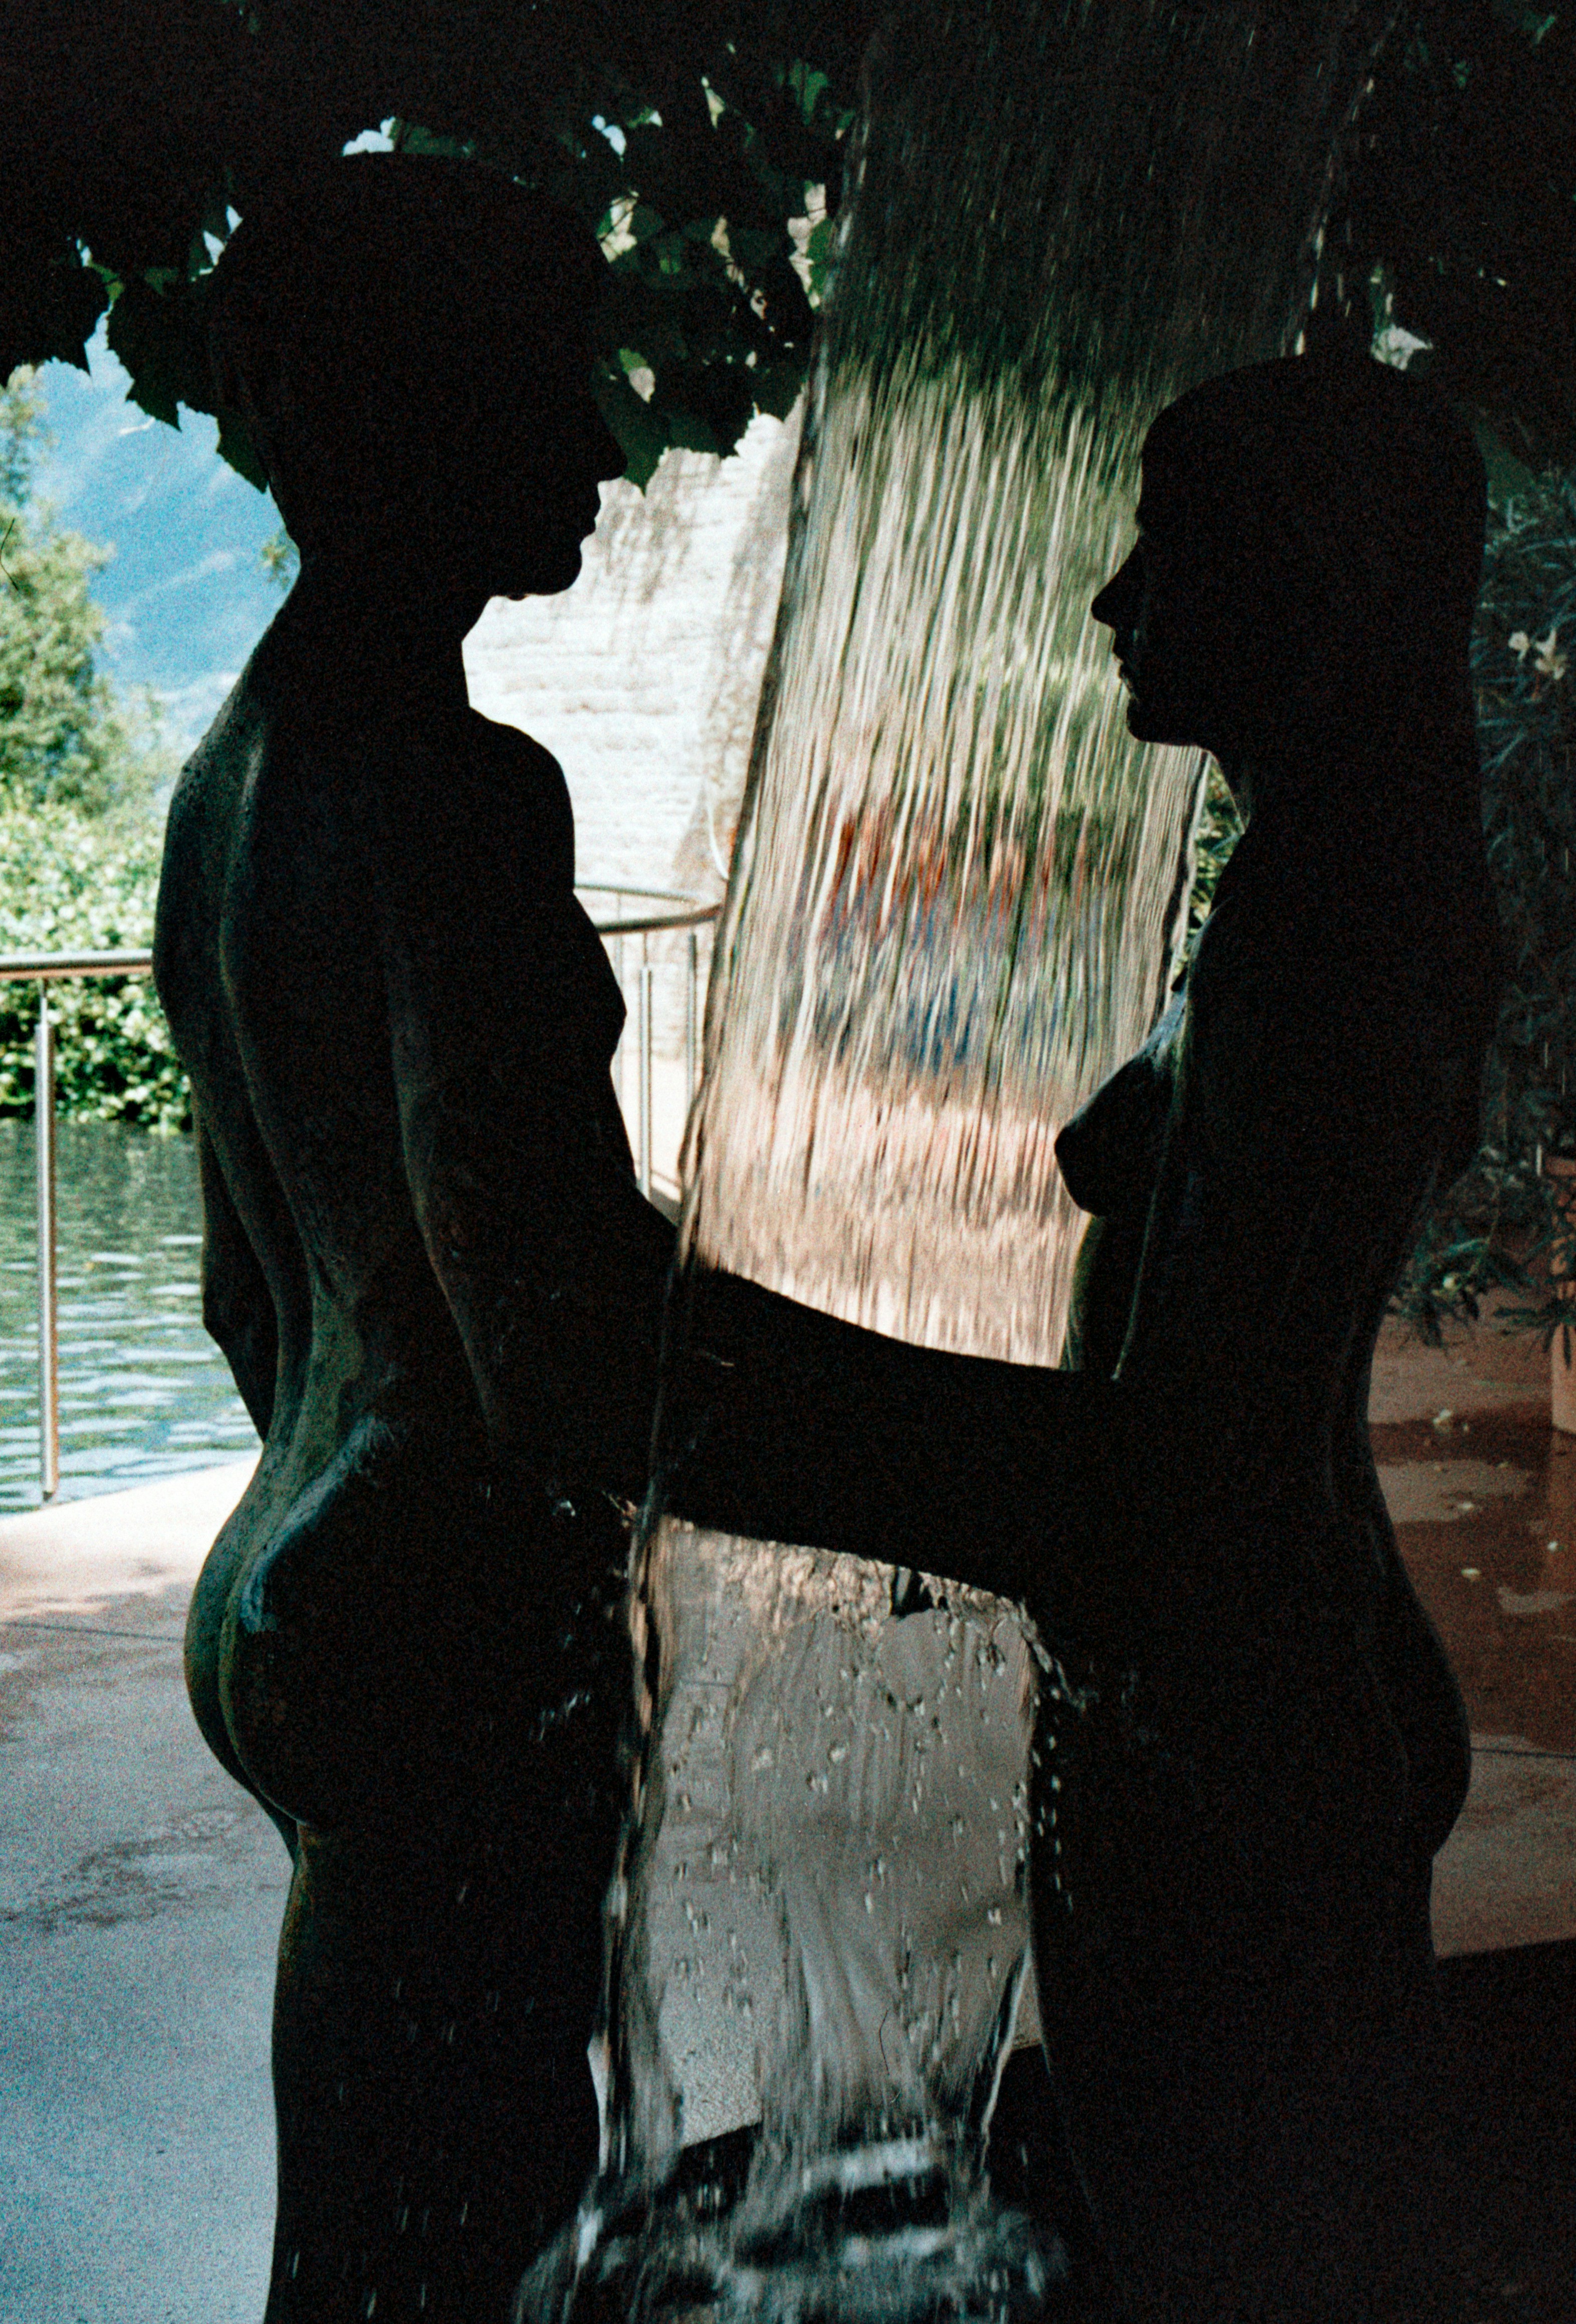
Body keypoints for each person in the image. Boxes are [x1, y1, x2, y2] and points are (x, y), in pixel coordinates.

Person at [657, 352, 1498, 2317]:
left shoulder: (1328, 946)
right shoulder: (1311, 892)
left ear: (1321, 581)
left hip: (1222, 1713)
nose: (1116, 597)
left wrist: (706, 1382)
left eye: (1173, 540)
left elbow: (1179, 1469)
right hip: (1273, 1659)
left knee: (1237, 2255)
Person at [152, 157, 674, 2320]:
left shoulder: (246, 769)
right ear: (416, 403)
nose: (599, 442)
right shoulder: (457, 788)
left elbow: (247, 1288)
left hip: (304, 1570)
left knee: (368, 2234)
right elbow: (555, 1335)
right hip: (443, 1627)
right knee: (465, 2240)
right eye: (551, 383)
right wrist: (1018, 1478)